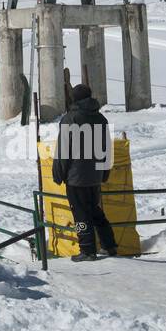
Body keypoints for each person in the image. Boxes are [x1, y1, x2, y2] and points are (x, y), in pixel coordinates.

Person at [52, 82, 117, 263]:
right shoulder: (101, 118)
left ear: (74, 99)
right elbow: (107, 149)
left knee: (80, 213)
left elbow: (63, 151)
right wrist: (104, 172)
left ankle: (87, 250)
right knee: (95, 210)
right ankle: (109, 244)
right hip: (95, 175)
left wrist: (58, 173)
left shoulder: (70, 119)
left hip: (76, 176)